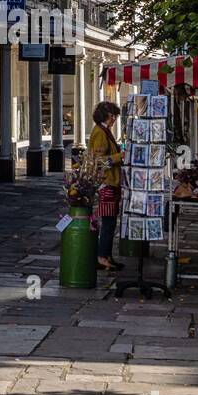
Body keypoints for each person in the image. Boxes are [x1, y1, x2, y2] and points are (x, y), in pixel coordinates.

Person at [89, 101, 124, 271]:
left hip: (112, 182)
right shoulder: (100, 132)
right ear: (105, 116)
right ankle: (102, 257)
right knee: (108, 223)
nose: (114, 119)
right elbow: (99, 161)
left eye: (115, 116)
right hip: (106, 183)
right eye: (112, 116)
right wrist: (120, 156)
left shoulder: (105, 131)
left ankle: (107, 256)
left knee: (111, 222)